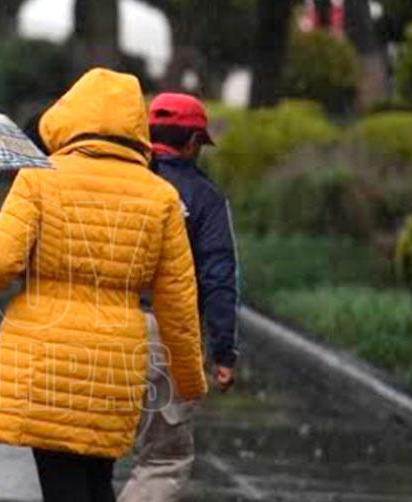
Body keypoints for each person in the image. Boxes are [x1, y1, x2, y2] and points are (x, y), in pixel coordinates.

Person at [0, 68, 207, 502]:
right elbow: (178, 299)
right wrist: (190, 378)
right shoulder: (160, 197)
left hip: (43, 356)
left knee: (61, 482)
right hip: (115, 363)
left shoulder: (40, 177)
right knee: (97, 478)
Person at [118, 93, 239, 502]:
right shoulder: (205, 198)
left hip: (102, 326)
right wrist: (224, 351)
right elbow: (219, 276)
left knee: (89, 449)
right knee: (162, 458)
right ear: (191, 143)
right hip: (167, 336)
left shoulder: (119, 179)